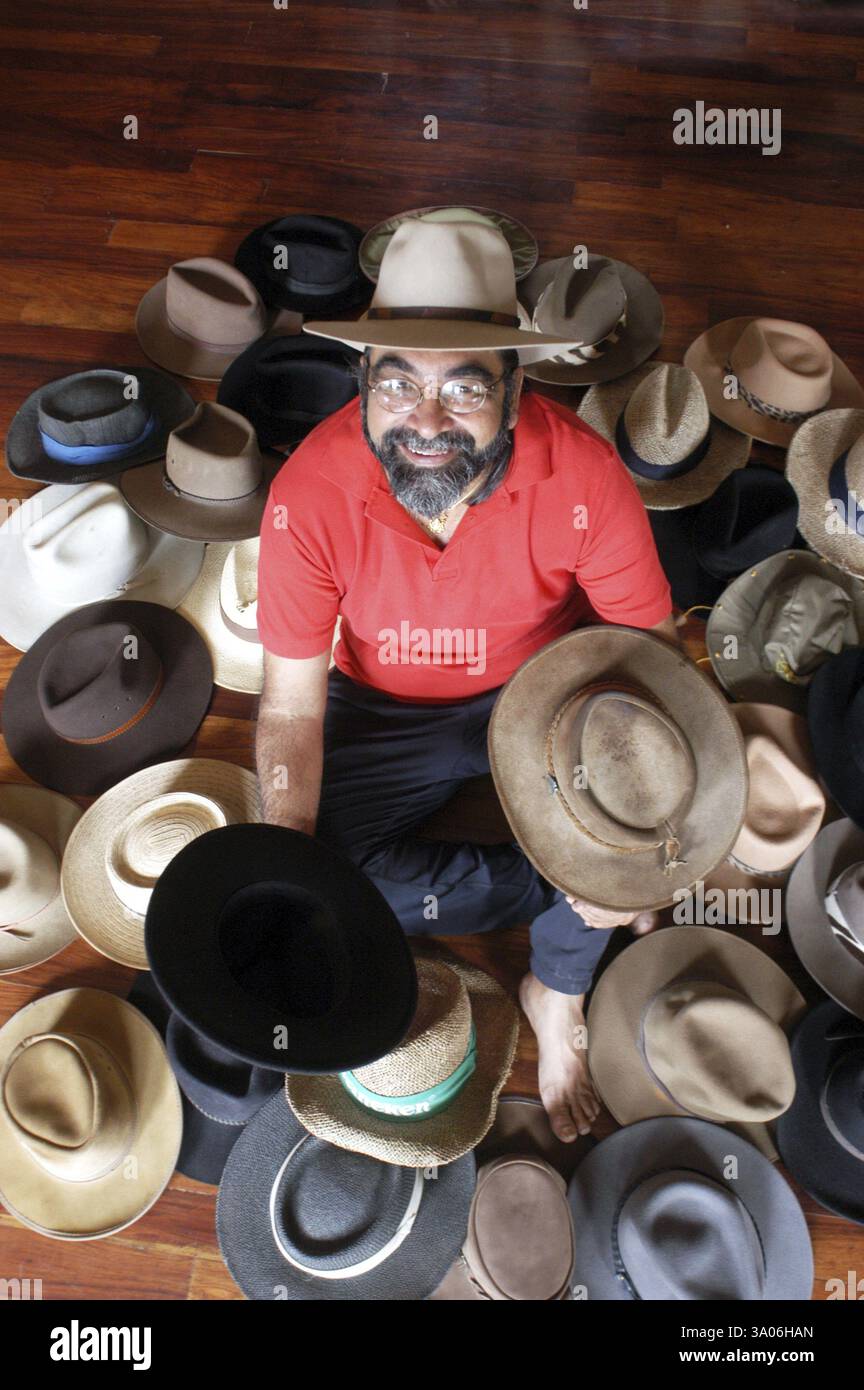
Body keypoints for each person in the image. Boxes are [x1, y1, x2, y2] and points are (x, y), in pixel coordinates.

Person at [255, 220, 675, 1141]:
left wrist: (639, 820)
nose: (428, 422)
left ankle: (556, 986)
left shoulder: (589, 476)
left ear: (518, 390)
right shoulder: (307, 494)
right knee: (327, 876)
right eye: (398, 383)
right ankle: (560, 892)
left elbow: (649, 658)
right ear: (364, 382)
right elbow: (290, 705)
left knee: (638, 819)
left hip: (545, 691)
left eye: (466, 387)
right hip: (381, 703)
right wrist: (289, 856)